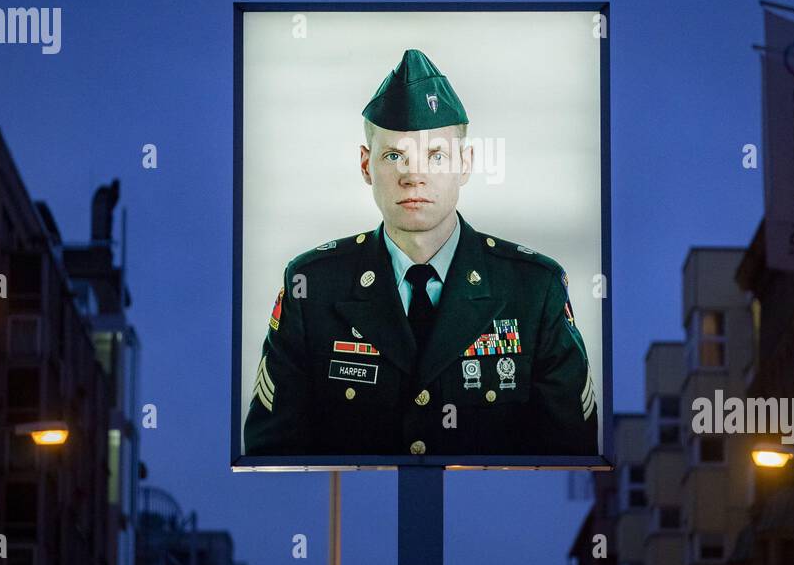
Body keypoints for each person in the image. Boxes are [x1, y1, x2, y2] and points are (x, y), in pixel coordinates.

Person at [243, 49, 597, 457]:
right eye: (394, 156)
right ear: (365, 165)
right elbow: (272, 457)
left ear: (465, 164)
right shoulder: (312, 287)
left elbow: (571, 456)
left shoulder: (533, 289)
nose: (413, 175)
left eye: (436, 156)